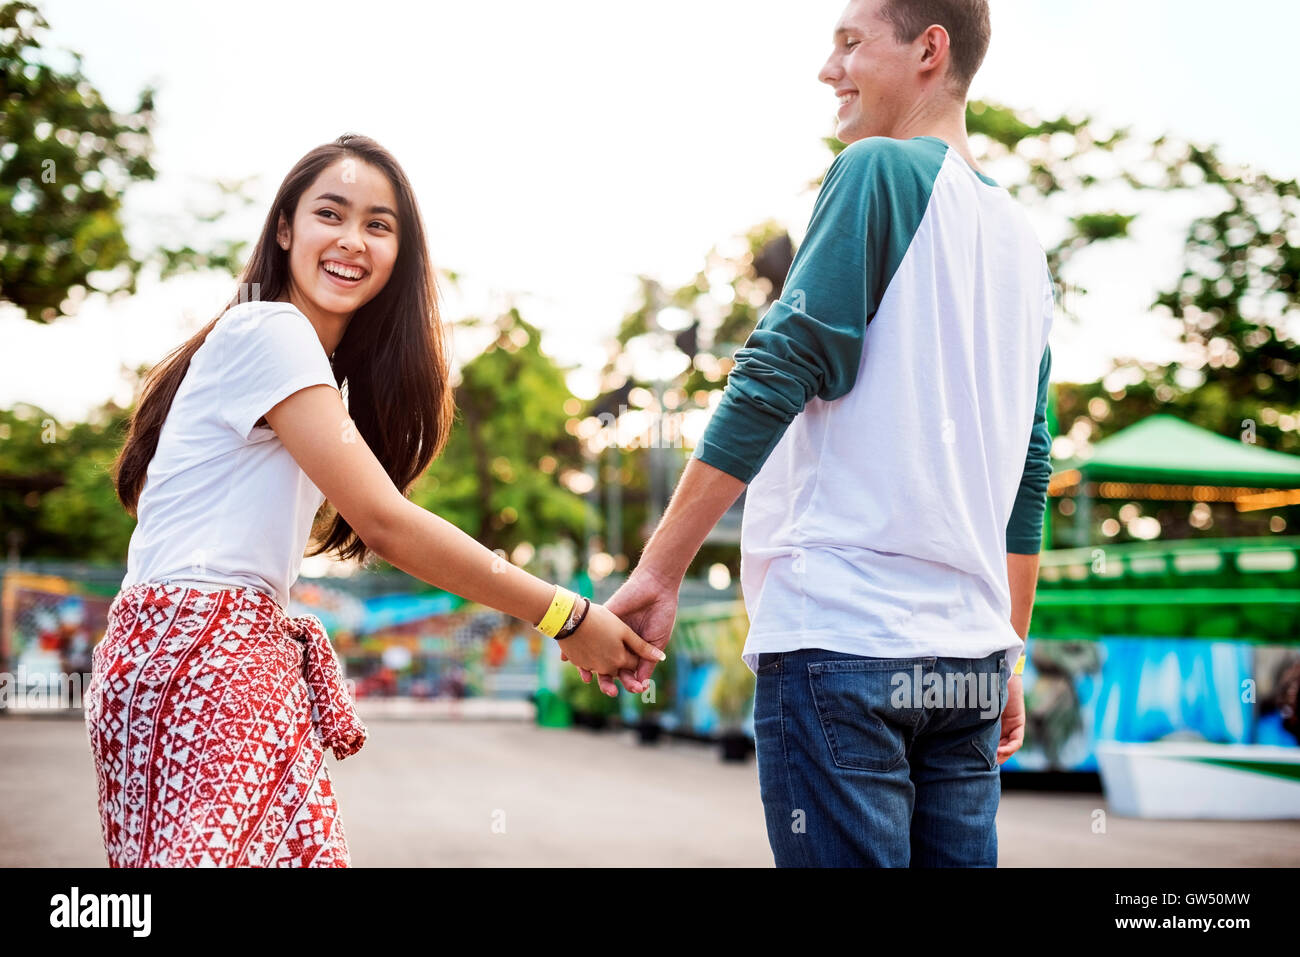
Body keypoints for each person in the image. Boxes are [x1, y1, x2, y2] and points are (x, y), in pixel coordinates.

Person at [85, 133, 663, 868]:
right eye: (331, 213)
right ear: (286, 228)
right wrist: (564, 612)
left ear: (399, 255)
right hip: (208, 656)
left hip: (183, 650)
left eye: (378, 225)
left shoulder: (286, 354)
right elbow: (385, 522)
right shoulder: (273, 330)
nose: (352, 240)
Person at [596, 0, 1053, 866]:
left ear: (930, 49)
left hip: (844, 637)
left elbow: (779, 368)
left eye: (850, 44)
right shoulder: (1023, 243)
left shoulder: (876, 170)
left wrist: (660, 568)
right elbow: (1029, 471)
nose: (827, 69)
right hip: (968, 662)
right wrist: (1010, 650)